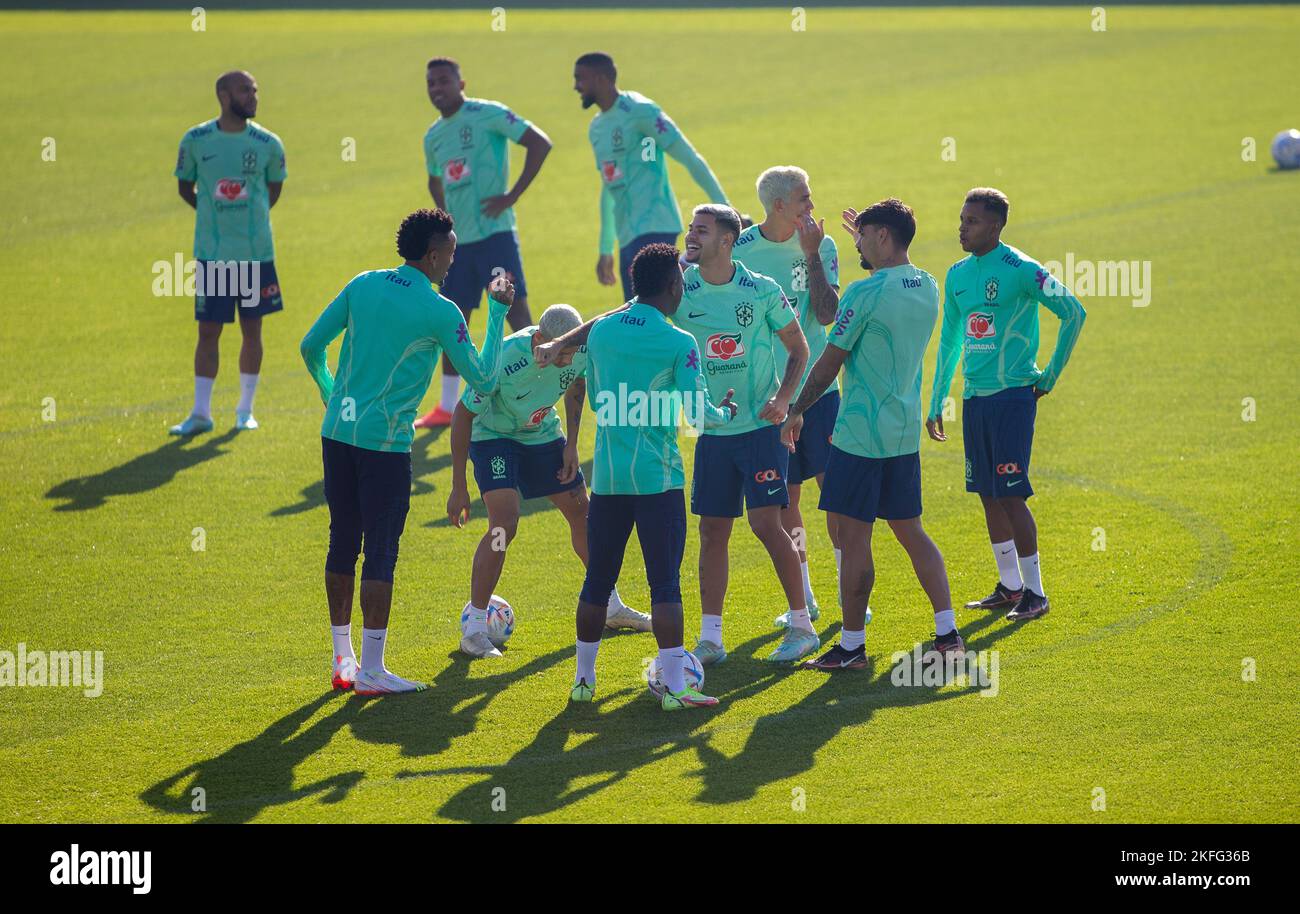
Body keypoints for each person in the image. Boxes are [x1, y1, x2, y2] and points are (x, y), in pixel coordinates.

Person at [300, 209, 510, 695]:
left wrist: (334, 399)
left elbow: (311, 347)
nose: (453, 262)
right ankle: (373, 669)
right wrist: (497, 313)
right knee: (381, 551)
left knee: (341, 541)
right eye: (452, 253)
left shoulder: (362, 284)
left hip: (337, 434)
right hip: (385, 446)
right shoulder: (441, 311)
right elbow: (482, 379)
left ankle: (343, 659)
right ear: (433, 255)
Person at [782, 199, 965, 671]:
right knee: (911, 532)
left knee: (852, 536)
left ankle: (851, 646)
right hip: (902, 435)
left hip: (860, 436)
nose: (856, 243)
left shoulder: (865, 295)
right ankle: (947, 632)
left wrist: (794, 411)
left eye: (863, 235)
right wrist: (865, 244)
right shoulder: (927, 286)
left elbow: (826, 361)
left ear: (884, 235)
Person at [564, 244, 736, 710]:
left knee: (597, 581)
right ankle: (676, 689)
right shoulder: (679, 342)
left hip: (611, 481)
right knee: (665, 584)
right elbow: (700, 415)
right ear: (674, 286)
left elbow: (598, 400)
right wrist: (728, 411)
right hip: (658, 481)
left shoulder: (600, 332)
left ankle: (583, 683)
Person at [446, 304, 652, 660]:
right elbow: (463, 415)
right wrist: (459, 485)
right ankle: (476, 628)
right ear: (539, 339)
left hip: (542, 435)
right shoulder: (503, 357)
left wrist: (571, 444)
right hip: (494, 437)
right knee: (503, 525)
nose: (566, 359)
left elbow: (577, 383)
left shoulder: (577, 350)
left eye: (571, 351)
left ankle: (610, 605)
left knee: (583, 512)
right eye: (561, 352)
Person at [926, 188, 1087, 622]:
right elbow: (951, 339)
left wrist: (1047, 378)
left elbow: (1074, 311)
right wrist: (938, 397)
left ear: (995, 226)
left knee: (1012, 496)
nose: (962, 227)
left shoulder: (1023, 269)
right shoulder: (957, 274)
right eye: (961, 219)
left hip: (1014, 397)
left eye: (972, 221)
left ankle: (1036, 592)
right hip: (976, 400)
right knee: (987, 495)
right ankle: (1010, 586)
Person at [675, 205, 816, 666]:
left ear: (726, 240)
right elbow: (624, 316)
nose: (691, 236)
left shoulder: (760, 291)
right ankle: (711, 639)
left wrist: (785, 399)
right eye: (690, 229)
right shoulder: (681, 289)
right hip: (713, 431)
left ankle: (802, 625)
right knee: (712, 531)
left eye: (701, 230)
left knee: (765, 525)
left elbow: (799, 347)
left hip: (759, 430)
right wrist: (564, 342)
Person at [414, 57, 552, 429]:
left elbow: (539, 143)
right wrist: (444, 218)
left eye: (443, 80)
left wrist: (512, 195)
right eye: (431, 83)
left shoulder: (488, 114)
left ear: (462, 82)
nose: (436, 88)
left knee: (516, 314)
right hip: (457, 246)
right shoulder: (433, 136)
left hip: (495, 237)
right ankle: (446, 406)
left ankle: (541, 392)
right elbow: (433, 180)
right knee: (450, 320)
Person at [733, 166, 843, 630]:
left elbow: (828, 313)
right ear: (778, 206)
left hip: (817, 390)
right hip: (769, 397)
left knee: (835, 494)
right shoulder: (739, 250)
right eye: (804, 199)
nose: (812, 208)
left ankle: (848, 587)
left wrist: (813, 255)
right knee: (786, 502)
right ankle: (807, 596)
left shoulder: (823, 244)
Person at [171, 70, 285, 435]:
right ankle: (201, 413)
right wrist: (213, 217)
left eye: (255, 90)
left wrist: (250, 222)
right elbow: (185, 187)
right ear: (223, 95)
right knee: (209, 331)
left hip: (255, 255)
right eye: (244, 90)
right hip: (214, 254)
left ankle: (244, 410)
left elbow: (273, 190)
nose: (253, 96)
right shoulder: (196, 140)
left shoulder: (267, 143)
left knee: (253, 330)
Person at [572, 51, 728, 301]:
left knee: (651, 308)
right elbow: (608, 187)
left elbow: (689, 157)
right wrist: (605, 248)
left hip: (655, 225)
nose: (576, 86)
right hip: (627, 236)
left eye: (581, 78)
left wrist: (726, 211)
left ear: (601, 79)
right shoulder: (597, 128)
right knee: (636, 313)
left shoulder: (640, 111)